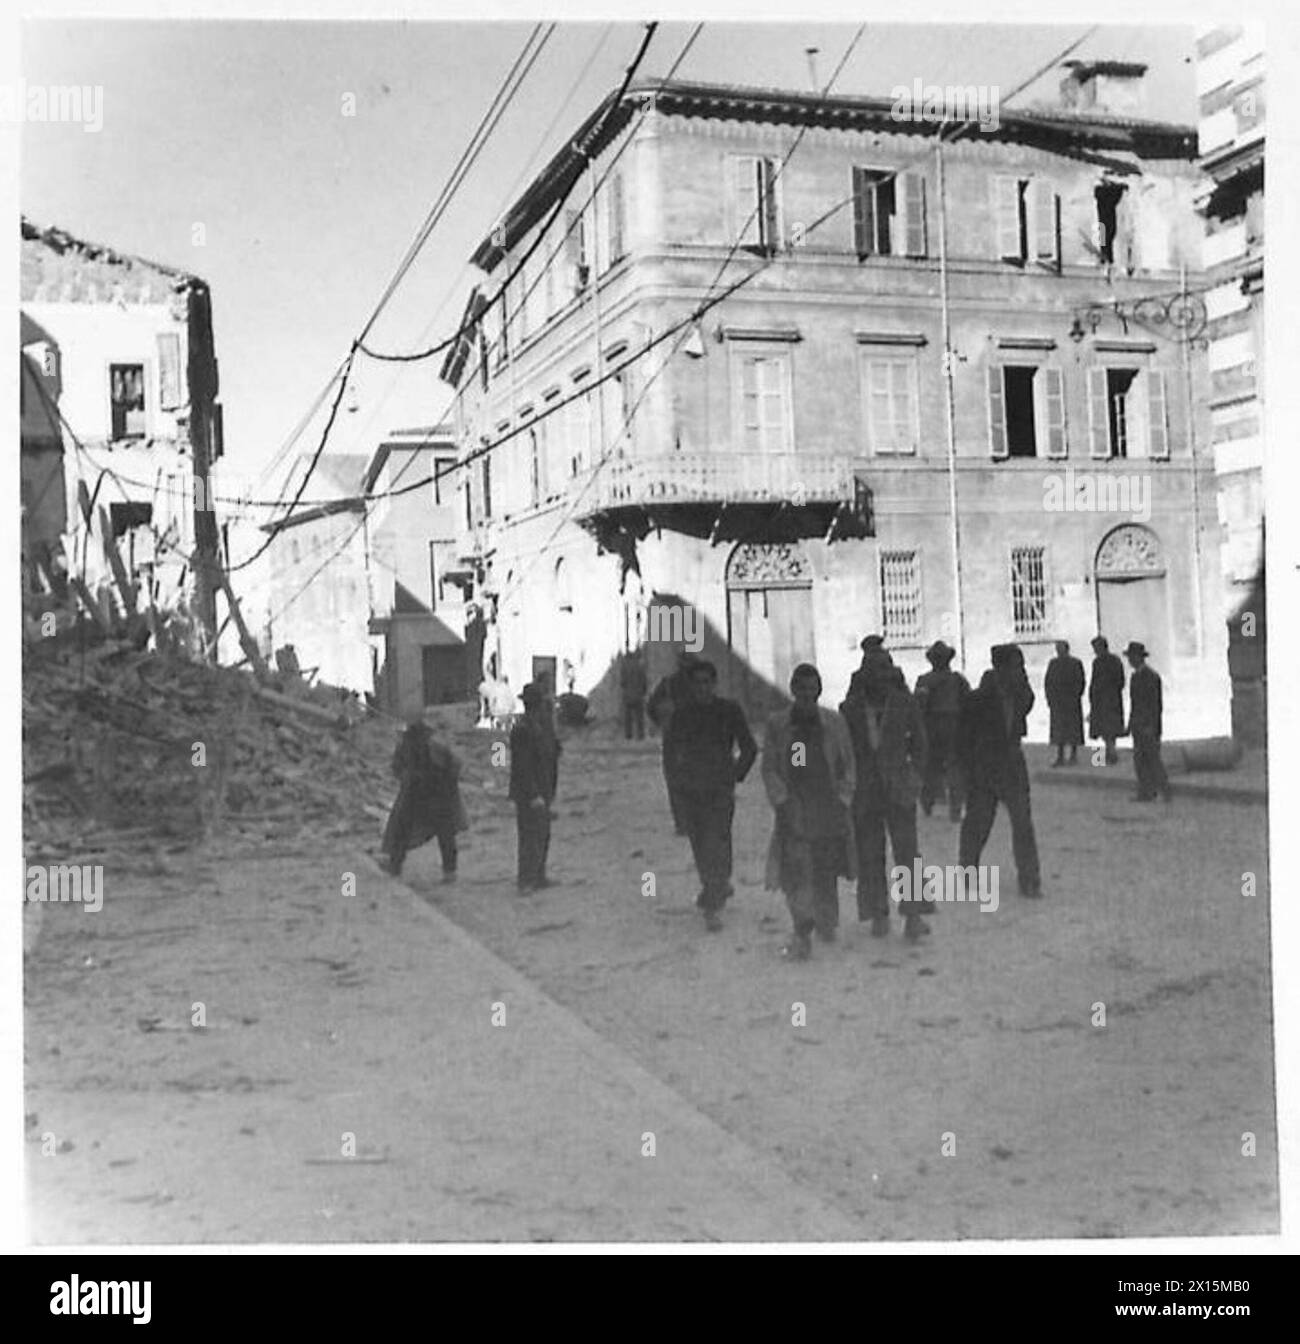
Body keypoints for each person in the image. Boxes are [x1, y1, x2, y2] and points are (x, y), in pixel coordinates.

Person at [762, 663, 856, 960]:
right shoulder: (779, 725)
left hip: (826, 803)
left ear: (818, 690)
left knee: (825, 866)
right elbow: (771, 768)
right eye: (800, 688)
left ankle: (826, 920)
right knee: (796, 870)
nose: (806, 694)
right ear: (792, 690)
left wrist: (843, 798)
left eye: (811, 688)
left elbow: (848, 764)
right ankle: (802, 929)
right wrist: (782, 800)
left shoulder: (834, 723)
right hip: (796, 804)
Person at [840, 647, 932, 940]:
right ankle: (877, 913)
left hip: (899, 789)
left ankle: (914, 915)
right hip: (865, 792)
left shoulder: (905, 704)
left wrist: (914, 776)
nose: (878, 677)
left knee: (907, 852)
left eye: (883, 670)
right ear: (863, 674)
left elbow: (921, 744)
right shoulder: (850, 709)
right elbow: (844, 753)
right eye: (872, 670)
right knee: (870, 854)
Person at [665, 659, 757, 931]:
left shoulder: (728, 711)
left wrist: (735, 774)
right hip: (693, 790)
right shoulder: (682, 715)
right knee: (701, 847)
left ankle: (714, 895)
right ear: (691, 686)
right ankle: (713, 893)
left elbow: (749, 747)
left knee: (719, 842)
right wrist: (678, 784)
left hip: (719, 789)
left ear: (714, 684)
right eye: (698, 683)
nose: (703, 688)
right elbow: (671, 754)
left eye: (708, 682)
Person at [957, 644, 1043, 899]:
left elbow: (1028, 701)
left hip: (1013, 765)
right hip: (984, 768)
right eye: (1016, 667)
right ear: (1001, 669)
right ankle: (968, 869)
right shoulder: (978, 699)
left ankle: (1029, 880)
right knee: (978, 822)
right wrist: (965, 771)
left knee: (1023, 825)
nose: (1020, 672)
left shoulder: (1020, 695)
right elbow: (963, 739)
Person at [381, 714, 467, 880]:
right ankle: (447, 870)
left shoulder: (427, 746)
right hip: (425, 794)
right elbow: (397, 768)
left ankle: (396, 865)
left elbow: (453, 766)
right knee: (408, 828)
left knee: (409, 829)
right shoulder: (417, 746)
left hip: (429, 793)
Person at [509, 682, 560, 892]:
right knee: (530, 836)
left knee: (542, 834)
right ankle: (526, 880)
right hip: (530, 792)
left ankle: (539, 876)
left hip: (544, 787)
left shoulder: (541, 727)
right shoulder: (522, 729)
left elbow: (553, 752)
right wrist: (533, 794)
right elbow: (522, 766)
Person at [913, 639, 969, 820]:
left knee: (930, 767)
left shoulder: (924, 681)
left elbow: (918, 707)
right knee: (955, 767)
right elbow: (968, 703)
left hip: (931, 727)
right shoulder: (958, 680)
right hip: (955, 726)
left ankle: (928, 803)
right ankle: (955, 807)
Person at [647, 651, 701, 833]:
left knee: (675, 781)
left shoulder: (668, 684)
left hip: (673, 739)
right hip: (697, 739)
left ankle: (682, 823)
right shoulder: (700, 685)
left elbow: (651, 706)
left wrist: (662, 723)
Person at [1125, 641, 1171, 803]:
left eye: (1132, 657)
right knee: (1140, 761)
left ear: (1139, 657)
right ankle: (1146, 792)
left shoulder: (1151, 677)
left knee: (1153, 761)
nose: (1130, 660)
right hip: (1138, 725)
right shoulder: (1135, 677)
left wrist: (1152, 726)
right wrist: (1130, 725)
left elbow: (1155, 705)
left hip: (1149, 726)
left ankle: (1165, 791)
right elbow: (1134, 704)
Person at [1044, 640, 1085, 767]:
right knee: (1059, 730)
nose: (1059, 651)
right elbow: (1048, 682)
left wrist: (1076, 694)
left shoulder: (1075, 663)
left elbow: (1081, 681)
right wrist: (1050, 699)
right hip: (1058, 701)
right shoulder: (1053, 663)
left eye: (1061, 648)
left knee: (1073, 730)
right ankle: (1060, 756)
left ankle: (1074, 756)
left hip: (1071, 700)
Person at [1088, 636, 1126, 766]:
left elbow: (1096, 682)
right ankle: (1106, 756)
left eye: (1095, 648)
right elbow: (1121, 681)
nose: (1094, 651)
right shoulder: (1113, 660)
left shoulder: (1100, 662)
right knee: (1107, 730)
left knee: (1105, 730)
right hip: (1111, 700)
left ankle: (1101, 759)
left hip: (1104, 700)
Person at [620, 648, 648, 741]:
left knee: (628, 717)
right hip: (639, 695)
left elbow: (622, 682)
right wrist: (643, 691)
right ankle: (640, 735)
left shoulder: (625, 668)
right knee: (639, 717)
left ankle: (628, 735)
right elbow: (644, 682)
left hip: (628, 695)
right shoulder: (640, 667)